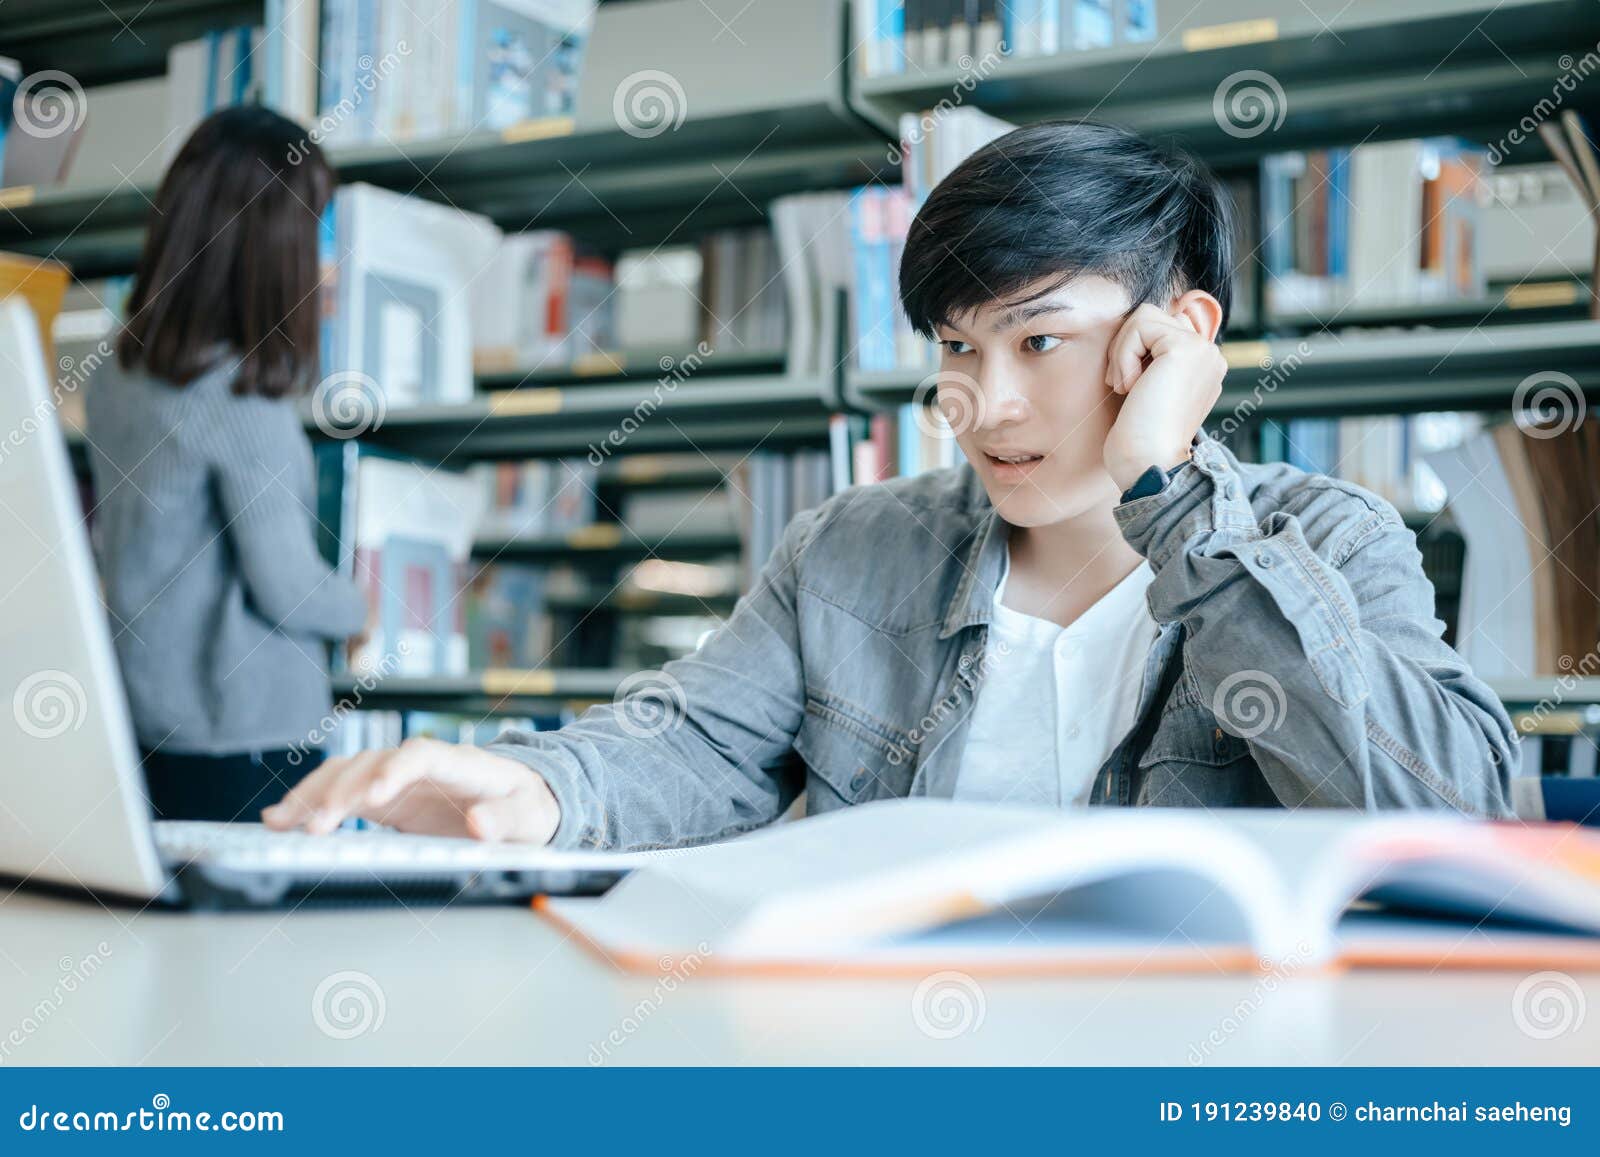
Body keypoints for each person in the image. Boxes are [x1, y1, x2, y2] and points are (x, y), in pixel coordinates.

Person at [263, 118, 1516, 847]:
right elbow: (697, 740)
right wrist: (543, 785)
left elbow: (1453, 811)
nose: (985, 401)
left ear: (1173, 336)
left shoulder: (1330, 539)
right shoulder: (853, 546)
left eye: (1038, 340)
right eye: (957, 348)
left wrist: (1172, 495)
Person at [87, 106, 367, 821]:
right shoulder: (243, 403)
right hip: (251, 737)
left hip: (142, 724)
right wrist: (363, 605)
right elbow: (287, 587)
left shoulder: (113, 378)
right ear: (276, 250)